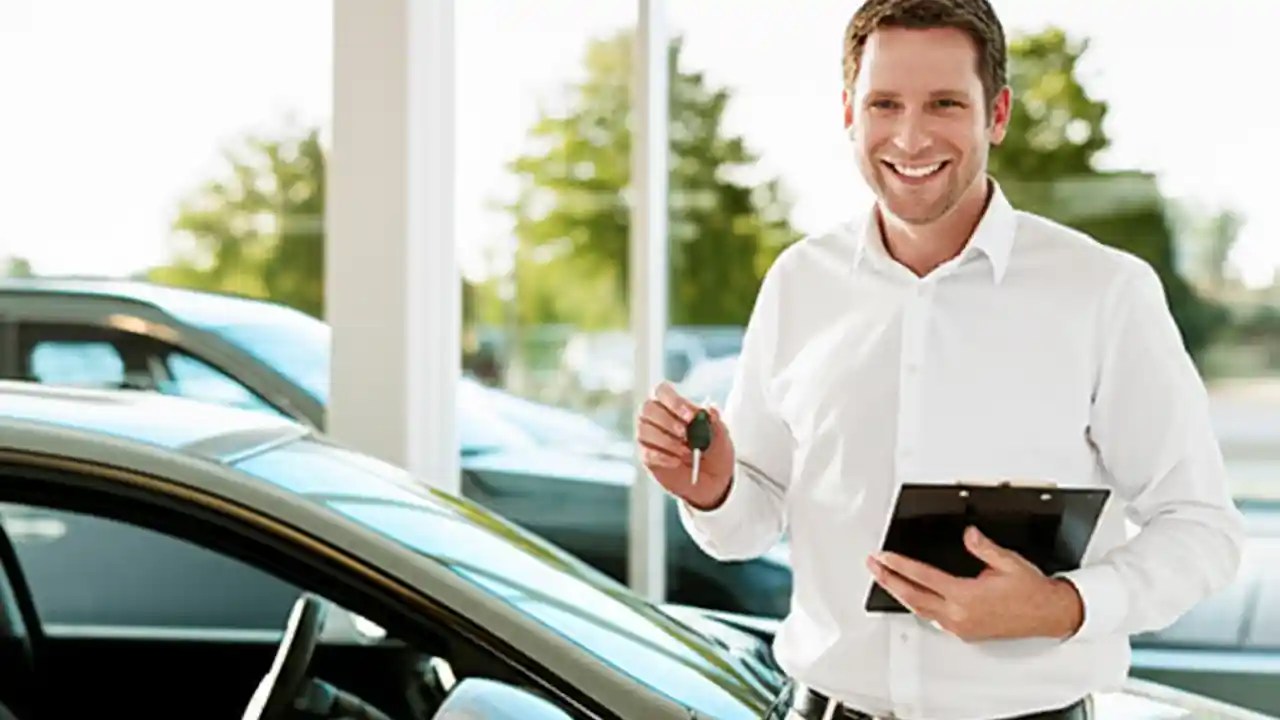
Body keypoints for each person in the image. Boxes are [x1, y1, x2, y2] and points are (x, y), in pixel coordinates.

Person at [634, 0, 1246, 718]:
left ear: (998, 114)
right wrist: (709, 487)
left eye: (945, 104)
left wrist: (1061, 605)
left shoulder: (1103, 293)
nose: (910, 136)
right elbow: (749, 525)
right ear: (848, 113)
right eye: (884, 103)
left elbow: (1201, 530)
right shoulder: (800, 284)